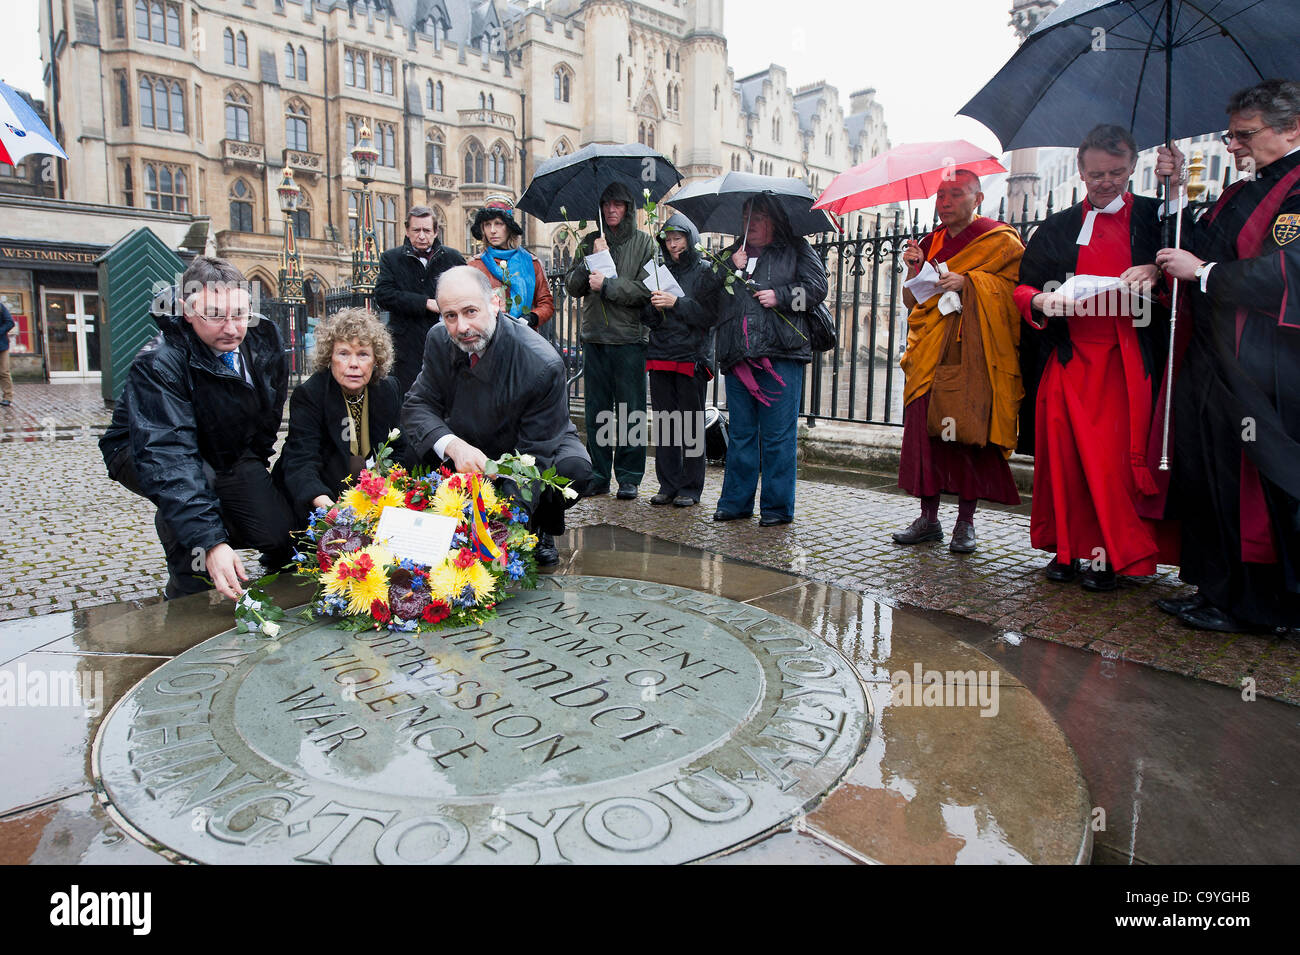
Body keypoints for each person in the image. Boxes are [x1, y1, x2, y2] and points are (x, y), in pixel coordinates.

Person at [1153, 78, 1300, 632]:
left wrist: (1206, 273)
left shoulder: (1297, 187)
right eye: (1229, 135)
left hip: (1268, 367)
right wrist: (1172, 197)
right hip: (1218, 356)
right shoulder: (1247, 187)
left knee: (1255, 488)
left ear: (1292, 128)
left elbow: (1289, 272)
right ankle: (1218, 592)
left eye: (1244, 135)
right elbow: (1196, 248)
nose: (1231, 146)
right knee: (1209, 475)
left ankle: (1260, 607)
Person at [1014, 125, 1176, 590]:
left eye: (1117, 171)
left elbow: (1185, 270)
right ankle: (1067, 549)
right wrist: (1042, 303)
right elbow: (1022, 288)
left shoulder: (1156, 216)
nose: (1106, 181)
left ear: (1133, 167)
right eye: (1097, 173)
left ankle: (1110, 554)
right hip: (1069, 355)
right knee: (1061, 458)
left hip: (1126, 357)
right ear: (1081, 171)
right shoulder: (1058, 225)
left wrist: (1155, 266)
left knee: (1112, 463)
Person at [99, 257, 292, 600]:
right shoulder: (159, 362)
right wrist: (211, 542)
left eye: (240, 314)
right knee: (197, 513)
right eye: (215, 315)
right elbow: (169, 455)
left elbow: (268, 412)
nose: (231, 328)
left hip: (225, 447)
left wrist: (253, 467)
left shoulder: (264, 338)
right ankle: (187, 554)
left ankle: (201, 518)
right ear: (188, 311)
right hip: (144, 449)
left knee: (278, 533)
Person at [401, 266, 592, 566]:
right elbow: (417, 405)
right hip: (467, 442)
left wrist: (502, 534)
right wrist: (453, 445)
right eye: (450, 316)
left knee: (573, 470)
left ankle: (539, 528)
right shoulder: (439, 339)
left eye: (470, 311)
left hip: (528, 446)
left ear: (496, 302)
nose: (462, 327)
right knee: (414, 446)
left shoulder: (542, 363)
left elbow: (535, 455)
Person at [895, 170, 1025, 554]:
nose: (945, 202)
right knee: (925, 433)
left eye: (955, 195)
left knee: (966, 431)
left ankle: (965, 523)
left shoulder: (1000, 240)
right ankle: (928, 518)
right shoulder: (928, 242)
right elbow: (911, 302)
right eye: (940, 196)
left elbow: (1015, 293)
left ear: (978, 198)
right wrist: (913, 269)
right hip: (928, 351)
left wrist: (970, 283)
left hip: (972, 350)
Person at [709, 195, 826, 526]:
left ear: (773, 220)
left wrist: (782, 296)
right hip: (738, 356)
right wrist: (729, 266)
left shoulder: (797, 249)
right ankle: (735, 503)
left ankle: (776, 508)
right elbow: (705, 290)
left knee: (777, 437)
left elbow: (817, 288)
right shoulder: (732, 254)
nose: (751, 223)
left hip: (781, 354)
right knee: (742, 434)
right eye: (746, 216)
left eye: (758, 216)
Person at [272, 308, 410, 520]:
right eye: (343, 353)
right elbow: (301, 460)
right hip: (322, 494)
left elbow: (399, 449)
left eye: (363, 354)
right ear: (330, 357)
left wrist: (389, 490)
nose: (353, 364)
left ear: (376, 360)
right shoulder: (310, 394)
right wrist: (327, 506)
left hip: (371, 494)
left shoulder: (387, 389)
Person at [564, 182, 655, 499]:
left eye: (618, 204)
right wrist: (591, 258)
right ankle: (599, 475)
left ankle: (629, 477)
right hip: (595, 337)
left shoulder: (645, 243)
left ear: (628, 208)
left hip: (629, 339)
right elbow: (573, 287)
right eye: (607, 204)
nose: (612, 210)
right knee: (597, 411)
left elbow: (647, 291)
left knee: (631, 411)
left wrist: (609, 284)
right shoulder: (590, 241)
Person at [640, 211, 720, 507]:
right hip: (661, 354)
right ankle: (668, 484)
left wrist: (677, 302)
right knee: (665, 424)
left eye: (678, 238)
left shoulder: (706, 271)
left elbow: (710, 316)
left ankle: (690, 487)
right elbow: (648, 318)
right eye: (669, 240)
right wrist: (653, 307)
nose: (673, 245)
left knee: (689, 425)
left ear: (690, 238)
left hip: (691, 357)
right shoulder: (659, 272)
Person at [373, 205, 466, 397]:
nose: (421, 236)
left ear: (435, 232)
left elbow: (466, 292)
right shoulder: (391, 258)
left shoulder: (453, 257)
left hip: (446, 342)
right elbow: (383, 295)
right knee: (409, 398)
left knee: (446, 396)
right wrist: (424, 303)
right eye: (416, 230)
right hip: (406, 345)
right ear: (407, 230)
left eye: (426, 230)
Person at [467, 196, 555, 330]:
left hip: (524, 335)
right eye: (487, 225)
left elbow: (546, 304)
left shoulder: (532, 263)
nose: (492, 230)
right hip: (487, 336)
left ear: (509, 227)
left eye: (498, 223)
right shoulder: (474, 266)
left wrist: (532, 317)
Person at [0, 300, 13, 407]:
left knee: (4, 372)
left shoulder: (0, 307)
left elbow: (10, 322)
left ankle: (7, 397)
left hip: (1, 346)